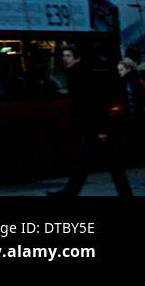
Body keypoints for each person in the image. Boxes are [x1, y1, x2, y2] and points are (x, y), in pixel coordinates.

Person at [47, 44, 132, 197]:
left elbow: (93, 104)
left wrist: (102, 129)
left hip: (96, 127)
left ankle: (70, 192)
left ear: (76, 58)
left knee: (97, 162)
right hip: (94, 126)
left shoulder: (80, 75)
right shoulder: (77, 74)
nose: (65, 59)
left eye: (68, 56)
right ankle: (71, 192)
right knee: (92, 162)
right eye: (64, 56)